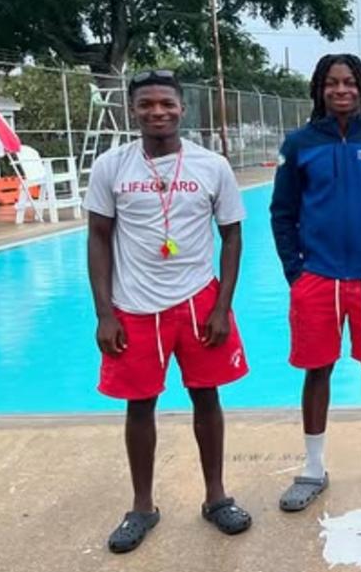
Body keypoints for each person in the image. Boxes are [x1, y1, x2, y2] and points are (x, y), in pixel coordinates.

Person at [86, 69, 252, 553]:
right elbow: (98, 238)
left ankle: (217, 497)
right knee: (140, 405)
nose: (157, 112)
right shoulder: (111, 167)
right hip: (133, 306)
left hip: (198, 300)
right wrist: (104, 313)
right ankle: (142, 506)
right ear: (132, 110)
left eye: (166, 104)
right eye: (146, 105)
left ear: (182, 108)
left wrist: (222, 306)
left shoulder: (211, 165)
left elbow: (233, 235)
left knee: (207, 397)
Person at [270, 54, 361, 512]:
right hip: (317, 278)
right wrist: (296, 273)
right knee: (317, 370)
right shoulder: (299, 145)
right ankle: (313, 468)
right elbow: (282, 214)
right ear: (319, 89)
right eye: (332, 83)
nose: (341, 90)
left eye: (350, 83)